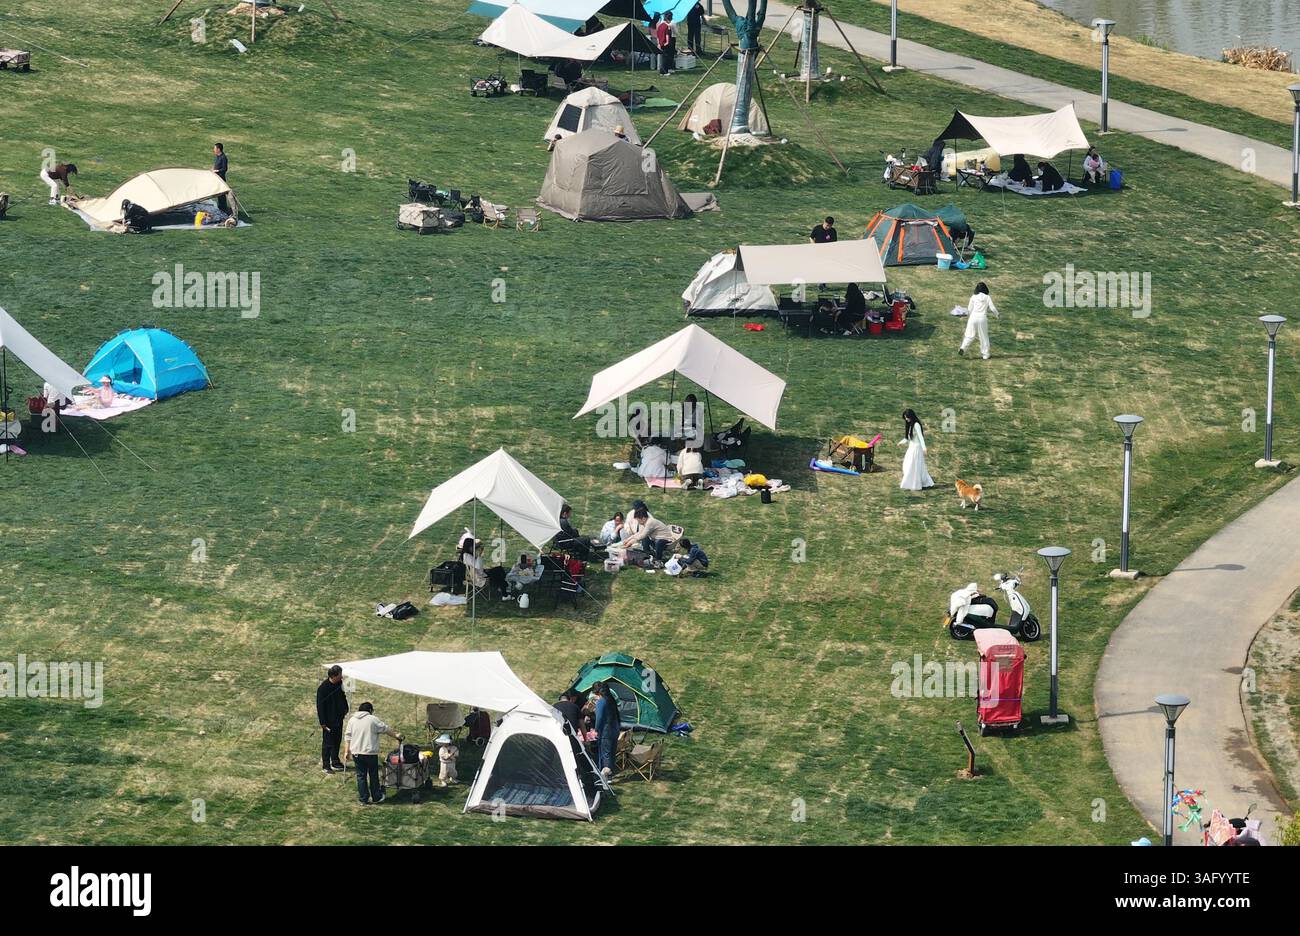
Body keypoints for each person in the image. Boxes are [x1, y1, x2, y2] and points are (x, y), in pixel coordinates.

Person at [343, 702, 403, 805]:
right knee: (373, 775)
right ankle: (376, 797)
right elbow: (385, 729)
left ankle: (363, 799)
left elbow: (347, 736)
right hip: (370, 753)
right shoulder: (372, 719)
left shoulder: (352, 720)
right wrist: (396, 735)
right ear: (370, 710)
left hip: (357, 752)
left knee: (361, 776)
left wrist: (346, 751)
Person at [317, 665, 349, 773]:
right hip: (328, 721)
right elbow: (320, 706)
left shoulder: (339, 684)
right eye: (340, 675)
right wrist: (322, 722)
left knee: (337, 740)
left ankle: (335, 761)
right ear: (334, 676)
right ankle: (326, 765)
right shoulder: (323, 688)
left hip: (338, 718)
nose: (342, 677)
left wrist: (345, 708)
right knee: (327, 743)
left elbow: (342, 696)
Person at [958, 281, 999, 360]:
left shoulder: (973, 297)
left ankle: (963, 348)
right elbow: (992, 308)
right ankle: (985, 354)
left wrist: (963, 315)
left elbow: (969, 310)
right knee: (983, 337)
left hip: (973, 318)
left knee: (969, 335)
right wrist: (997, 314)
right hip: (982, 318)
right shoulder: (987, 297)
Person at [898, 409, 935, 491]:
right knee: (906, 464)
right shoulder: (910, 425)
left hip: (916, 449)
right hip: (911, 448)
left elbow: (921, 437)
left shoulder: (916, 425)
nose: (906, 419)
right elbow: (907, 438)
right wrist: (900, 443)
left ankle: (913, 483)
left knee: (913, 466)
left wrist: (924, 448)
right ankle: (911, 481)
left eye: (907, 418)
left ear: (911, 416)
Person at [593, 681, 621, 777]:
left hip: (606, 731)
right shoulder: (611, 699)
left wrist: (596, 730)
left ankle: (605, 776)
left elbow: (599, 717)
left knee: (606, 754)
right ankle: (610, 774)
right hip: (615, 728)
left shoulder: (601, 701)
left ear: (598, 693)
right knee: (612, 752)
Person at [655, 11, 676, 75]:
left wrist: (659, 43)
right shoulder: (667, 26)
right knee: (666, 58)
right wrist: (667, 42)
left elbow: (658, 34)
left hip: (660, 43)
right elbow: (667, 35)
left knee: (663, 58)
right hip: (665, 44)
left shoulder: (660, 25)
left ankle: (662, 71)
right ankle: (664, 72)